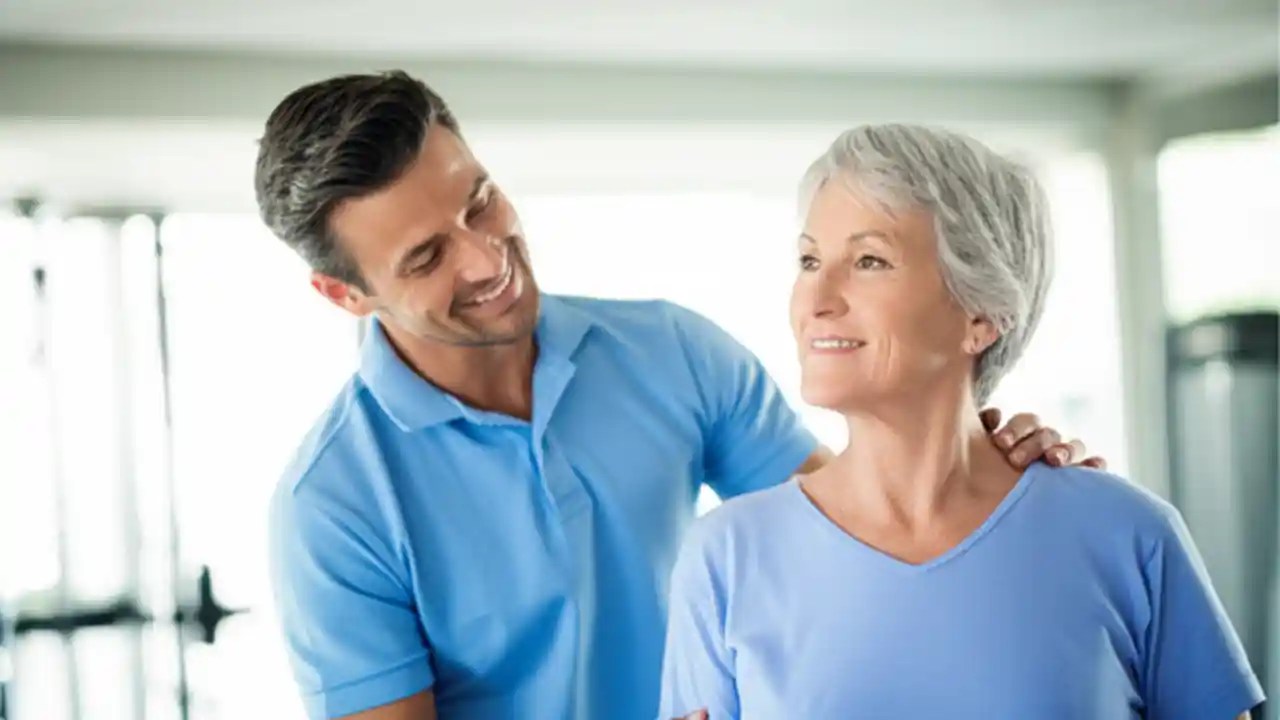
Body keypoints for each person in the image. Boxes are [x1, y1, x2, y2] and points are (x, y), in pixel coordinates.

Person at [256, 71, 1102, 720]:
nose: (485, 258)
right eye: (426, 257)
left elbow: (856, 537)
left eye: (479, 204)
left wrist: (980, 472)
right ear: (346, 295)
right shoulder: (333, 503)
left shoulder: (671, 352)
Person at [657, 124, 1265, 720]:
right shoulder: (726, 556)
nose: (816, 299)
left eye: (869, 260)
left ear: (981, 315)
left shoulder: (1127, 533)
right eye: (810, 259)